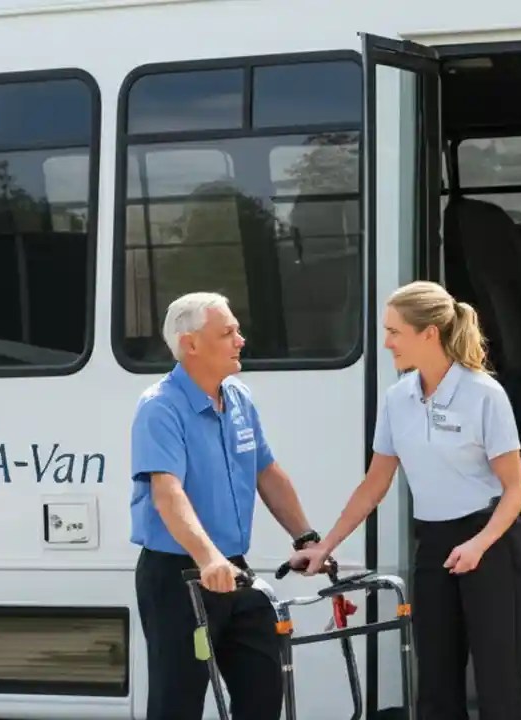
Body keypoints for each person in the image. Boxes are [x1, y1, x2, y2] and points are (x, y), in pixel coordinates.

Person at [286, 280, 521, 720]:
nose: (386, 342)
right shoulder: (398, 399)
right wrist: (326, 547)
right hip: (434, 544)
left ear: (429, 334)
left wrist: (479, 544)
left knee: (499, 685)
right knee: (435, 685)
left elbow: (515, 490)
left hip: (491, 543)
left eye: (395, 332)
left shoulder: (484, 394)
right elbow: (374, 484)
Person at [129, 291, 323, 720]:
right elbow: (168, 493)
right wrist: (208, 558)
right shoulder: (160, 407)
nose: (241, 340)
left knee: (263, 688)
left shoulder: (238, 397)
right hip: (177, 575)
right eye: (228, 332)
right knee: (177, 704)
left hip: (233, 570)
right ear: (190, 345)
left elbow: (266, 472)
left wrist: (306, 537)